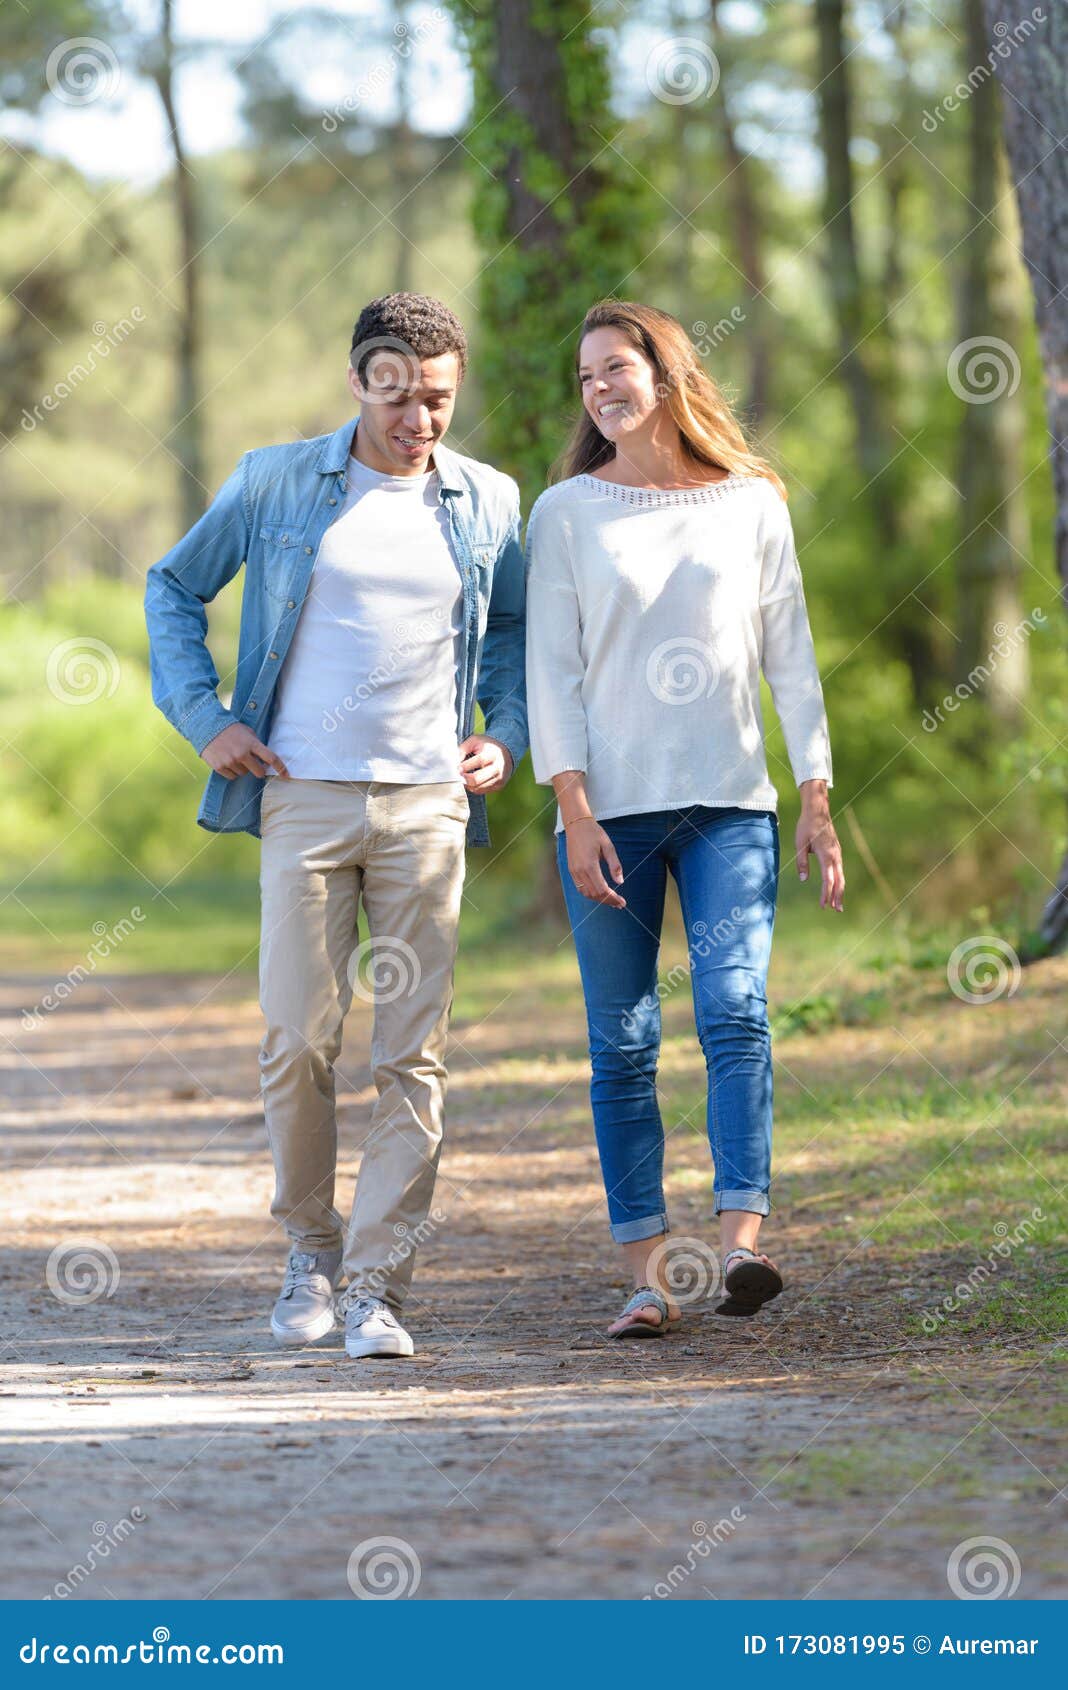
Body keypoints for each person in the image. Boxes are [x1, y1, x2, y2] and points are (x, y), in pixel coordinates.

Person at [145, 293, 527, 1359]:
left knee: (414, 1055)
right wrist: (207, 718)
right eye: (397, 395)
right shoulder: (274, 480)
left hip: (427, 807)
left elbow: (514, 631)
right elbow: (173, 586)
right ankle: (310, 1251)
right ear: (358, 380)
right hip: (302, 797)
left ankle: (375, 1288)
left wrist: (508, 733)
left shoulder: (490, 500)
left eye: (439, 399)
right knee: (297, 1038)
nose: (419, 420)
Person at [525, 299, 843, 1339]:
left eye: (616, 367)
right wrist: (573, 806)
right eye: (586, 377)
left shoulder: (749, 503)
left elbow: (790, 652)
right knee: (621, 1043)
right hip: (609, 814)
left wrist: (816, 792)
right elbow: (551, 671)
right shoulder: (564, 513)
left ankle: (742, 1246)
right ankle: (650, 1278)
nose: (599, 389)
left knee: (736, 1014)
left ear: (665, 374)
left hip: (730, 807)